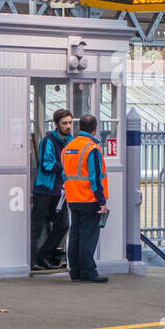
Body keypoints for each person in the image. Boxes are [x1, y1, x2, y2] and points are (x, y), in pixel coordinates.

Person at [61, 114, 109, 284]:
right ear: (95, 128)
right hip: (89, 199)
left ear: (79, 127)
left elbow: (64, 173)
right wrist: (102, 202)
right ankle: (88, 271)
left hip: (73, 198)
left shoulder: (68, 147)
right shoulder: (92, 149)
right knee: (88, 237)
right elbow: (95, 178)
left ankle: (75, 271)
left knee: (75, 235)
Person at [31, 108, 73, 270]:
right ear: (56, 125)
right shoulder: (48, 141)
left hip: (60, 191)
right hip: (45, 189)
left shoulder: (70, 140)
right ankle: (34, 259)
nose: (68, 126)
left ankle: (42, 255)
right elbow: (46, 165)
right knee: (37, 226)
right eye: (64, 123)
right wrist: (66, 167)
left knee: (63, 225)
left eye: (70, 122)